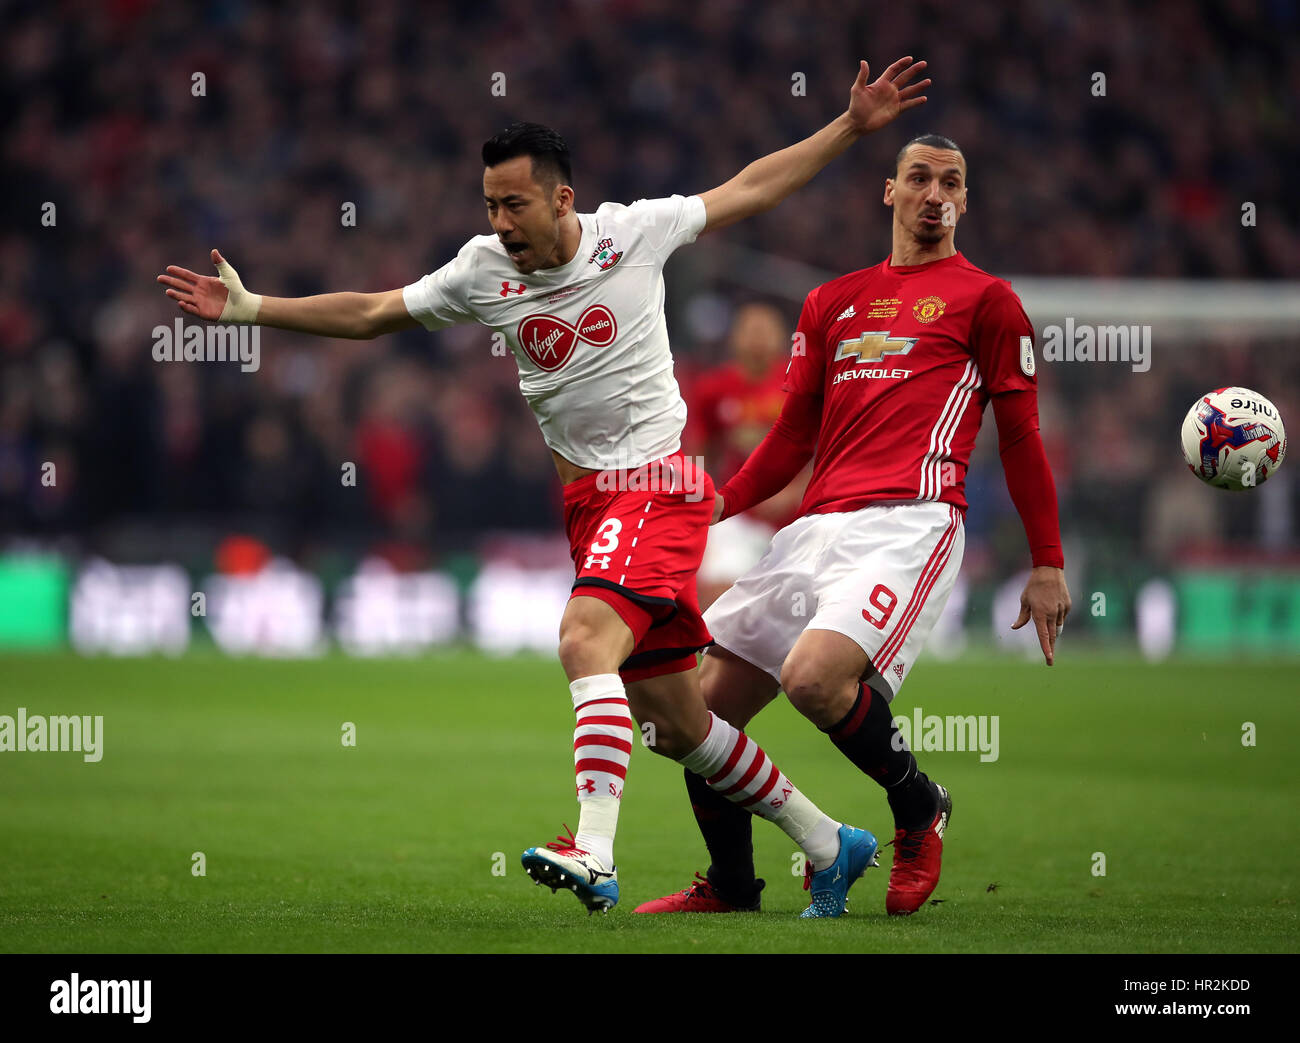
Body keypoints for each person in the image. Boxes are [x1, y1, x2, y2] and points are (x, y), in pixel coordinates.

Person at [157, 58, 932, 917]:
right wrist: (252, 308)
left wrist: (851, 128)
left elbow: (749, 189)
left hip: (656, 486)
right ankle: (832, 843)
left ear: (562, 199)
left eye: (513, 204)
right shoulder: (483, 270)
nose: (499, 221)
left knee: (581, 640)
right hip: (589, 507)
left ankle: (594, 850)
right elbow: (375, 313)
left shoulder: (634, 232)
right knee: (679, 725)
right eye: (489, 204)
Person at [636, 134, 1071, 917]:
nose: (934, 193)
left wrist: (1046, 561)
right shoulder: (831, 302)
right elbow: (793, 438)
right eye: (919, 178)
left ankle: (917, 806)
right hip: (814, 526)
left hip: (911, 521)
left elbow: (1022, 435)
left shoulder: (988, 301)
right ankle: (733, 884)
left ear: (964, 202)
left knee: (814, 678)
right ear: (889, 191)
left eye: (951, 182)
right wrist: (719, 504)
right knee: (689, 718)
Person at [686, 302, 810, 610]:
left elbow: (823, 447)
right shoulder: (714, 388)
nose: (757, 337)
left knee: (801, 607)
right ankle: (720, 654)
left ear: (782, 336)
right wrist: (700, 500)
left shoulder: (802, 385)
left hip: (800, 515)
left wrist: (796, 492)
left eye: (764, 329)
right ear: (734, 338)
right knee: (717, 587)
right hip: (740, 513)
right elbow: (700, 449)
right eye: (749, 329)